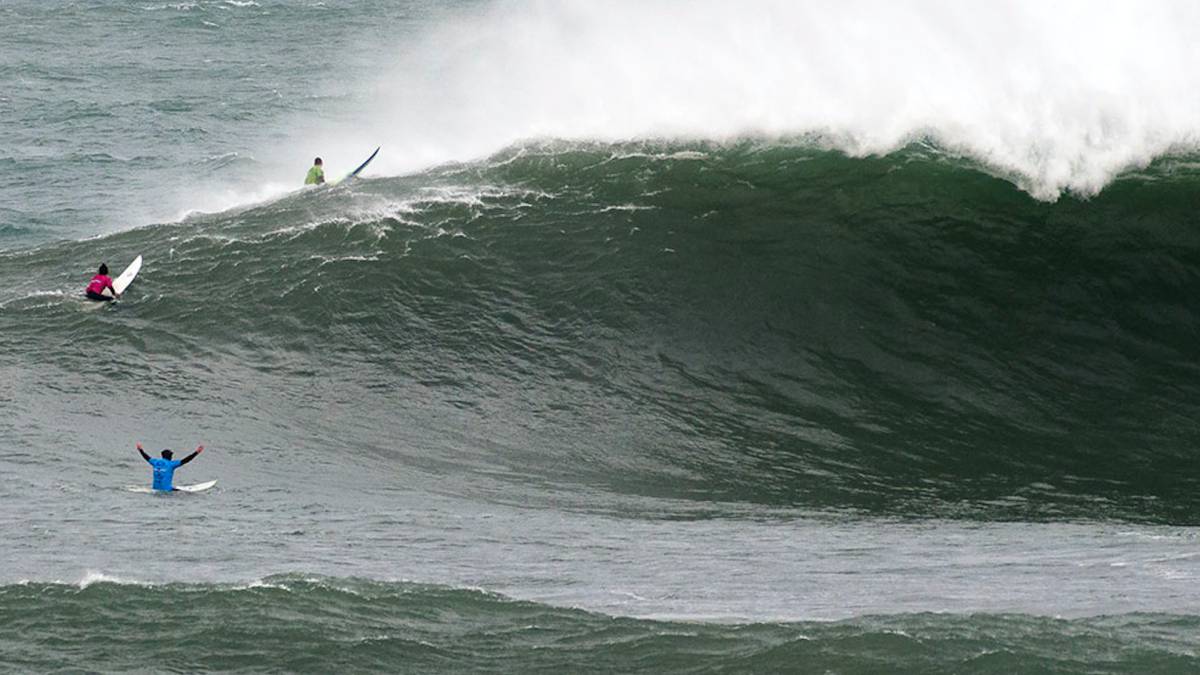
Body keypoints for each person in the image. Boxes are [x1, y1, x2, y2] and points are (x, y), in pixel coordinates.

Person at [136, 442, 204, 491]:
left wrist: (140, 449)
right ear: (170, 456)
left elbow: (146, 457)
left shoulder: (155, 462)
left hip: (155, 489)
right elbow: (186, 460)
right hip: (167, 491)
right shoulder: (171, 464)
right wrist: (197, 452)